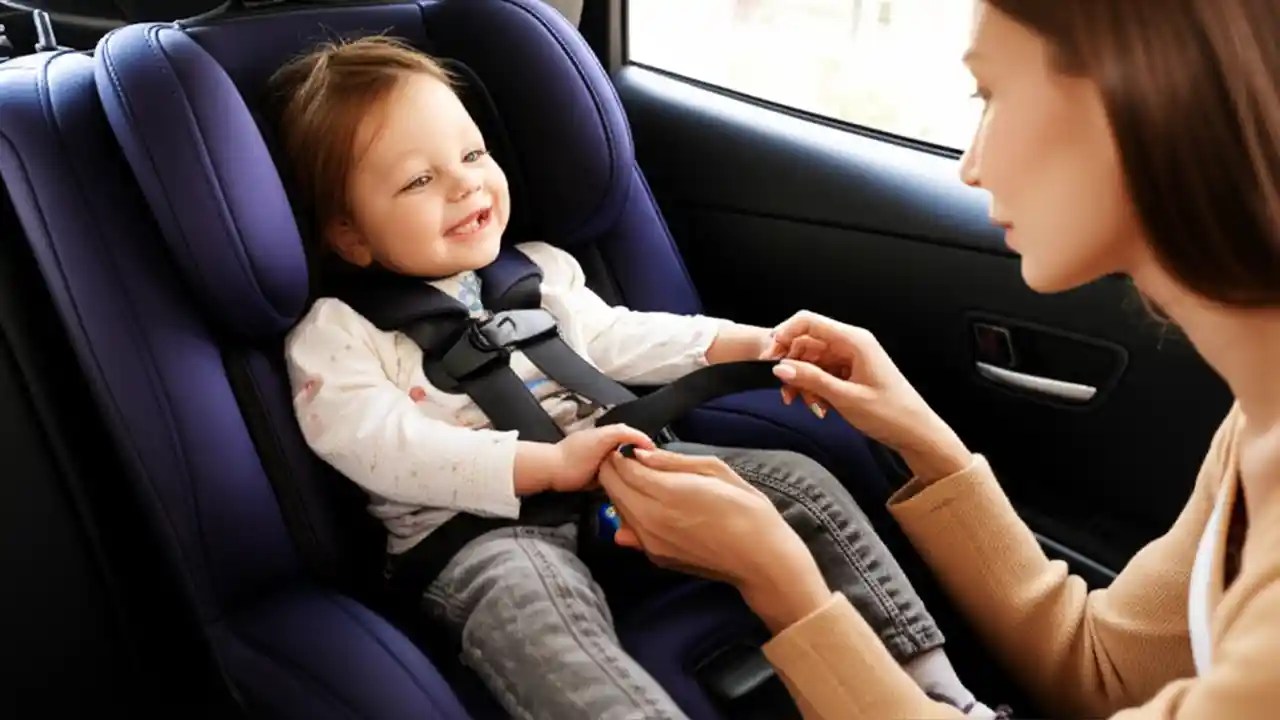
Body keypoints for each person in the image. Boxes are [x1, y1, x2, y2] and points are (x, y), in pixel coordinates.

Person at [267, 35, 988, 720]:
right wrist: (543, 467)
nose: (465, 184)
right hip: (482, 534)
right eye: (421, 179)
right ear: (350, 235)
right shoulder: (339, 334)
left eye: (473, 153)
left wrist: (748, 343)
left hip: (625, 475)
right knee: (532, 607)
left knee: (796, 482)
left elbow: (621, 338)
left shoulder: (539, 271)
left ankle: (934, 691)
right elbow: (380, 447)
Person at [598, 1, 1280, 718]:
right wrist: (922, 441)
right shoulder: (1257, 417)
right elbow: (1104, 673)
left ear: (1146, 90)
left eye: (990, 95)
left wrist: (779, 579)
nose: (970, 167)